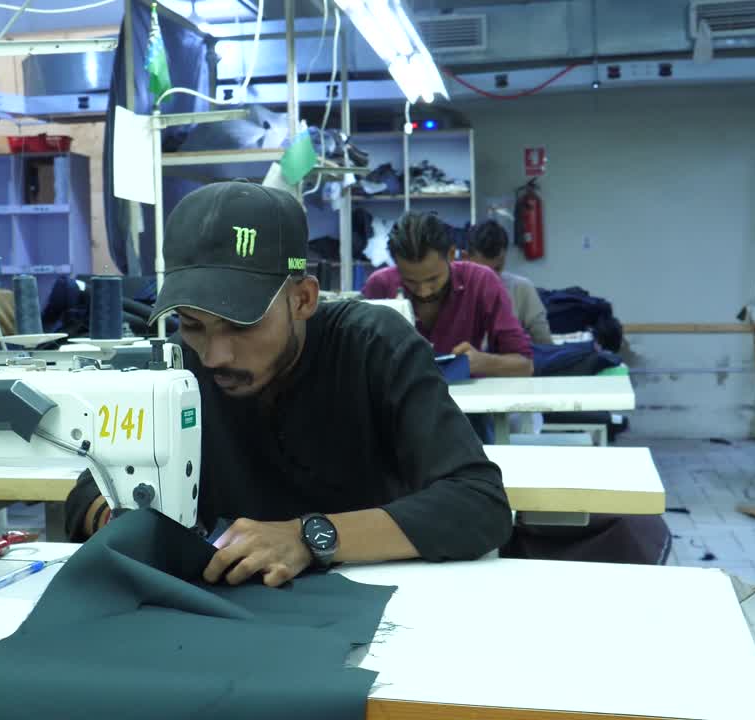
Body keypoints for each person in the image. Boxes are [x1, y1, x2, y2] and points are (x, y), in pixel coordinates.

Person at [64, 182, 512, 586]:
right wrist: (117, 518)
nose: (215, 355)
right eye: (193, 324)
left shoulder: (374, 346)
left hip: (377, 598)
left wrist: (309, 537)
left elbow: (478, 503)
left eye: (241, 325)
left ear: (303, 299)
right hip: (227, 608)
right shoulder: (178, 365)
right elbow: (95, 486)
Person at [360, 212, 533, 378]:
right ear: (396, 263)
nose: (423, 291)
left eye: (433, 279)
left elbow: (525, 365)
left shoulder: (481, 281)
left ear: (451, 255)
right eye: (411, 281)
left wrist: (482, 362)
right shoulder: (379, 286)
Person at [465, 220, 553, 346]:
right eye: (481, 271)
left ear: (505, 257)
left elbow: (545, 346)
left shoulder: (521, 288)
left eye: (497, 269)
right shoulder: (451, 292)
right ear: (465, 258)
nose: (490, 279)